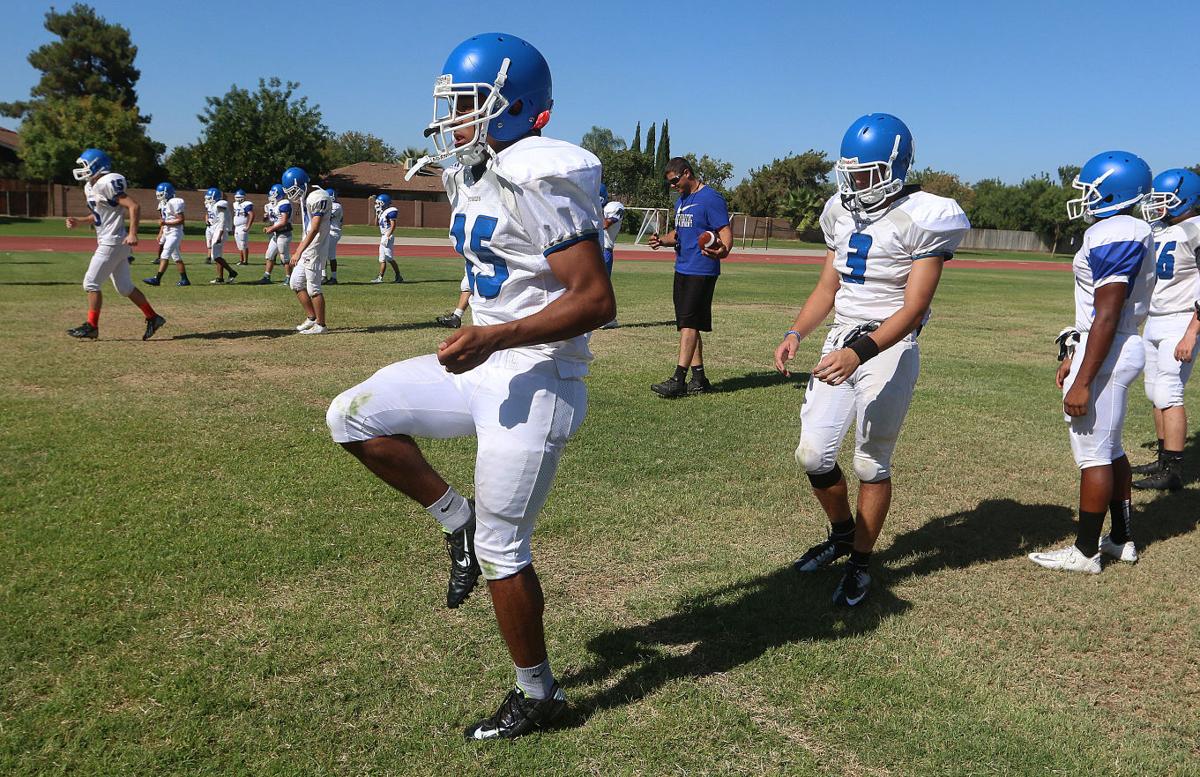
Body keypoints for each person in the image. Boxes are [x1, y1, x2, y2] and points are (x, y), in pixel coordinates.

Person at [326, 32, 613, 740]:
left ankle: (539, 694)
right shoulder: (476, 170)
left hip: (539, 374)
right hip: (484, 363)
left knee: (505, 549)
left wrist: (492, 335)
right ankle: (456, 519)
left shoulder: (542, 169)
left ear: (515, 107)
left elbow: (595, 299)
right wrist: (476, 327)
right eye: (449, 105)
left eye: (465, 106)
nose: (451, 121)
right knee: (351, 417)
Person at [774, 113, 970, 606]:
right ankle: (843, 533)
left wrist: (857, 353)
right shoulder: (840, 210)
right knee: (813, 454)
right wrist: (797, 331)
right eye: (850, 173)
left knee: (869, 460)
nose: (856, 184)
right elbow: (828, 284)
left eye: (867, 174)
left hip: (887, 346)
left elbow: (915, 306)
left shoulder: (924, 215)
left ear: (897, 167)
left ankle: (862, 563)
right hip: (842, 338)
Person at [1028, 150, 1155, 573]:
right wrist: (1073, 351)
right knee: (1112, 448)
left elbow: (1108, 312)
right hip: (1113, 345)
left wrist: (1084, 377)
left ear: (1111, 188)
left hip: (1110, 347)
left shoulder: (1116, 230)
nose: (1085, 196)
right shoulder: (1129, 228)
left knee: (1093, 455)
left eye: (1091, 187)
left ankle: (1085, 552)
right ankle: (1121, 538)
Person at [1130, 168, 1200, 491]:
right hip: (1156, 319)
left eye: (1164, 198)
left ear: (1186, 198)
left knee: (1169, 391)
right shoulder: (1162, 229)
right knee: (1153, 391)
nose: (1158, 204)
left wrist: (1192, 331)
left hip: (1182, 318)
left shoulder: (1196, 229)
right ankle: (1162, 458)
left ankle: (1173, 470)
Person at [648, 157, 731, 396]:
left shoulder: (710, 198)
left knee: (689, 324)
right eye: (670, 183)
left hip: (701, 269)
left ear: (686, 173)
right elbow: (681, 233)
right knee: (687, 324)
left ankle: (678, 379)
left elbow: (725, 232)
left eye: (675, 181)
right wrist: (662, 240)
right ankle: (699, 379)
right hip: (682, 267)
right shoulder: (682, 200)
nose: (673, 186)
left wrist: (723, 250)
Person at [65, 148, 166, 340]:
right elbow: (99, 216)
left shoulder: (106, 182)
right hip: (114, 242)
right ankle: (153, 317)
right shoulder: (90, 187)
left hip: (112, 242)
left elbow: (133, 205)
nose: (82, 169)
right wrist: (79, 221)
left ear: (97, 165)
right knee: (124, 288)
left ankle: (92, 326)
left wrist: (133, 233)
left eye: (85, 165)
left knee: (91, 283)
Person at [284, 167, 332, 334]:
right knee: (296, 283)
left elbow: (315, 228)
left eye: (294, 191)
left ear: (302, 184)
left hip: (315, 248)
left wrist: (298, 250)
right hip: (308, 247)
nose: (293, 195)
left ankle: (321, 325)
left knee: (314, 288)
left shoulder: (318, 197)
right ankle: (312, 318)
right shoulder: (309, 195)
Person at [142, 181, 190, 287]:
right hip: (168, 232)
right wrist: (161, 232)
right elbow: (163, 219)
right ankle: (185, 280)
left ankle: (157, 279)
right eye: (158, 194)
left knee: (165, 254)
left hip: (175, 232)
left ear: (167, 193)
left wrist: (165, 223)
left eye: (161, 194)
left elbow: (181, 220)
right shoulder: (163, 203)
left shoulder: (174, 202)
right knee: (177, 257)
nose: (159, 197)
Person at [254, 183, 292, 284]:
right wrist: (266, 218)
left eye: (273, 194)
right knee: (269, 255)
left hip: (284, 234)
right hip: (276, 234)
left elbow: (283, 222)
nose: (271, 196)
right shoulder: (273, 205)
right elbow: (271, 220)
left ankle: (289, 278)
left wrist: (271, 228)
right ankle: (266, 277)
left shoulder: (284, 203)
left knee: (284, 256)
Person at [598, 182, 623, 329]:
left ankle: (609, 318)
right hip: (592, 250)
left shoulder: (613, 207)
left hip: (604, 250)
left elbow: (605, 224)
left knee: (603, 285)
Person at [205, 187, 238, 284]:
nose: (207, 199)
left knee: (215, 256)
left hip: (220, 231)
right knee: (217, 255)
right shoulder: (212, 205)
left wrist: (219, 235)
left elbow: (222, 221)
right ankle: (220, 278)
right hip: (214, 230)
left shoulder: (221, 204)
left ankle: (232, 272)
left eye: (209, 197)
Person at [372, 193, 403, 283]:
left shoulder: (391, 210)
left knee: (389, 258)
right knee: (382, 258)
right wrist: (377, 214)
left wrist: (387, 236)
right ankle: (380, 278)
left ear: (383, 203)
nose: (377, 205)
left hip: (387, 236)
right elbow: (375, 224)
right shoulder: (382, 213)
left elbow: (393, 225)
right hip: (383, 236)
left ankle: (398, 276)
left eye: (378, 203)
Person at [232, 189, 255, 266]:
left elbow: (251, 215)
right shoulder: (235, 204)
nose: (238, 198)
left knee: (243, 244)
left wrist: (248, 226)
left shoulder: (246, 204)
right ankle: (241, 260)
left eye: (239, 197)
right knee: (239, 245)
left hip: (242, 226)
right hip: (237, 227)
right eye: (237, 197)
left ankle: (245, 261)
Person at [324, 187, 342, 284]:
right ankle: (324, 276)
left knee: (330, 255)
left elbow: (326, 216)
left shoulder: (336, 206)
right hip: (328, 232)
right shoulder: (331, 205)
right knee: (324, 254)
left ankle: (333, 278)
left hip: (333, 232)